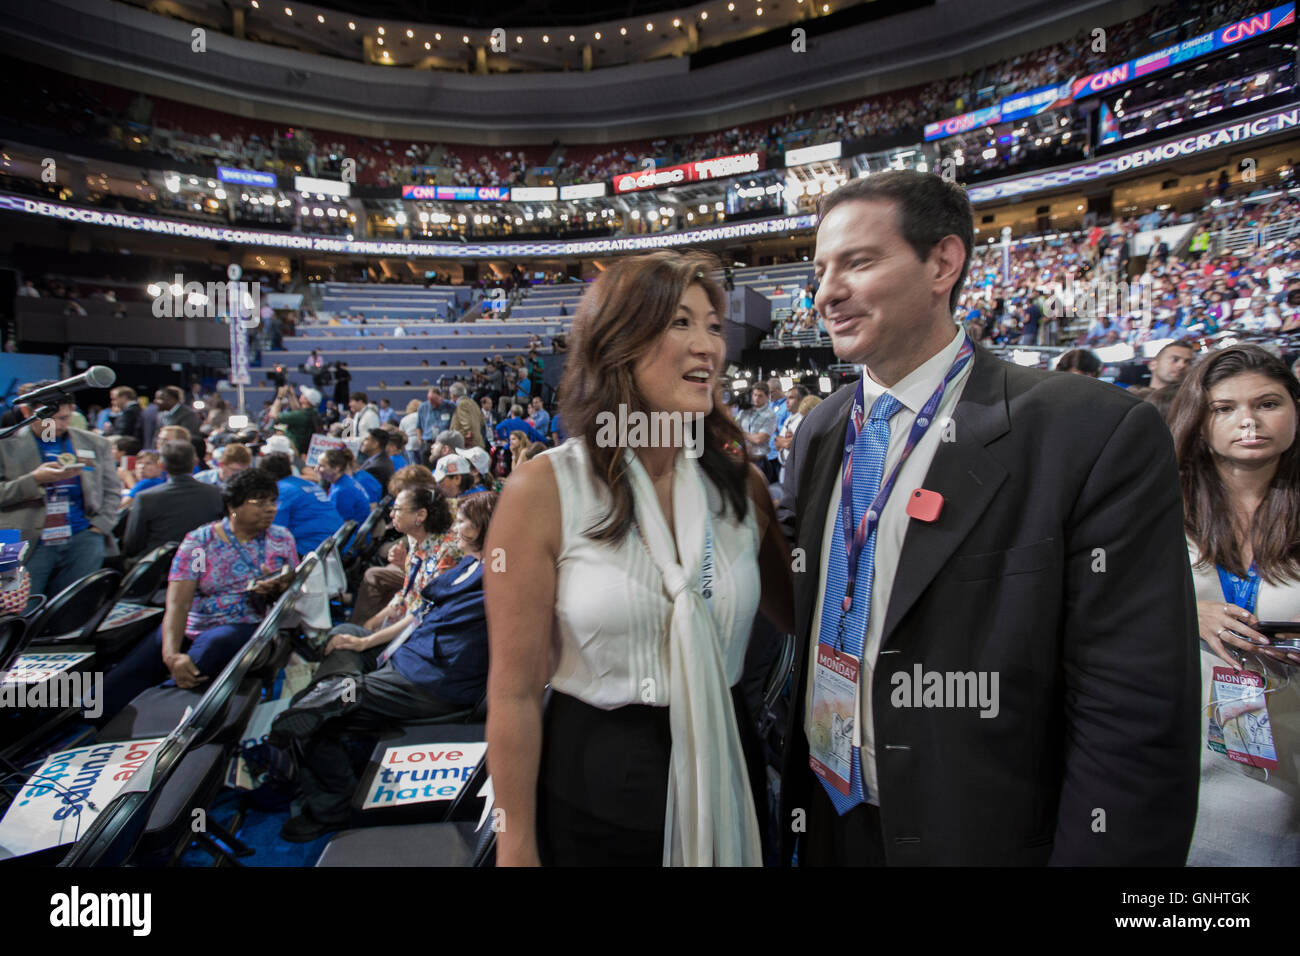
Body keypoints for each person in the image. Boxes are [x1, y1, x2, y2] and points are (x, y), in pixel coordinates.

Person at [777, 170, 1199, 866]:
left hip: (982, 836)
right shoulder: (823, 429)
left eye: (857, 262)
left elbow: (1132, 715)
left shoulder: (1088, 432)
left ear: (942, 263)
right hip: (831, 819)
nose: (826, 293)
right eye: (821, 269)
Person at [486, 250, 794, 867]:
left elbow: (806, 622)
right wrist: (515, 841)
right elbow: (513, 693)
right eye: (680, 322)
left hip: (729, 768)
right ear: (619, 341)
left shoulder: (741, 485)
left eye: (713, 325)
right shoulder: (543, 492)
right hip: (592, 789)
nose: (707, 344)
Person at [270, 490, 496, 842]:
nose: (456, 526)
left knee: (319, 713)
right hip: (408, 659)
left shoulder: (498, 577)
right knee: (344, 643)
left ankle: (332, 808)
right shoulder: (470, 564)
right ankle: (328, 698)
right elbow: (419, 611)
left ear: (481, 528)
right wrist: (364, 641)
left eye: (464, 521)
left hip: (431, 682)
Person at [1168, 345, 1300, 865]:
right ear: (1199, 421)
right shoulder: (1154, 503)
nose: (1248, 421)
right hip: (1183, 750)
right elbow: (1093, 608)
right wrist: (1182, 611)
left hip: (1287, 753)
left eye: (1268, 404)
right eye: (1224, 408)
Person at [100, 468, 298, 720]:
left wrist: (278, 588)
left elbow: (293, 592)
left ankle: (160, 713)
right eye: (259, 503)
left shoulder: (281, 540)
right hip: (194, 622)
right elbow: (179, 603)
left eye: (272, 501)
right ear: (232, 506)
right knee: (126, 676)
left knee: (213, 646)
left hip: (246, 624)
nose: (270, 509)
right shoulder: (200, 544)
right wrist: (171, 655)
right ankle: (91, 720)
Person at [0, 390, 120, 598]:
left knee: (72, 608)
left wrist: (101, 525)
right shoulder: (4, 442)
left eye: (65, 418)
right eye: (50, 419)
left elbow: (112, 488)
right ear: (28, 411)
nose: (59, 425)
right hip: (17, 540)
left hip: (83, 538)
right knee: (15, 609)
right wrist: (35, 479)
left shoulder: (94, 443)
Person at [122, 440, 225, 559]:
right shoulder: (217, 494)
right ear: (195, 462)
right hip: (204, 562)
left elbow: (132, 544)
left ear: (160, 465)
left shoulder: (145, 498)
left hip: (159, 567)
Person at [261, 452, 342, 554]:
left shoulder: (281, 491)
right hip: (336, 543)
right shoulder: (311, 485)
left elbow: (276, 532)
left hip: (315, 550)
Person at [317, 447, 371, 525]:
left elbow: (340, 523)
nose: (316, 468)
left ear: (336, 469)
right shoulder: (345, 480)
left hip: (352, 535)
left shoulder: (342, 491)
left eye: (321, 466)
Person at [738, 382, 779, 483]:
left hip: (759, 461)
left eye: (760, 396)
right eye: (755, 395)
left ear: (767, 397)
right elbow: (732, 429)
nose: (756, 398)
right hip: (743, 458)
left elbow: (758, 439)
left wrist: (741, 433)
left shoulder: (770, 415)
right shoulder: (744, 411)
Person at [449, 381, 487, 449]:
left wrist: (462, 438)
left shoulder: (462, 404)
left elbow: (467, 425)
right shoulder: (473, 403)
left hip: (467, 445)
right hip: (477, 443)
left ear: (453, 394)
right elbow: (482, 421)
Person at [417, 388, 453, 458]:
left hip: (444, 444)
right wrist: (420, 442)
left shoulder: (450, 406)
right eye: (430, 400)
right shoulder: (423, 407)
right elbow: (419, 427)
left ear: (441, 397)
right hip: (428, 443)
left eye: (434, 400)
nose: (431, 403)